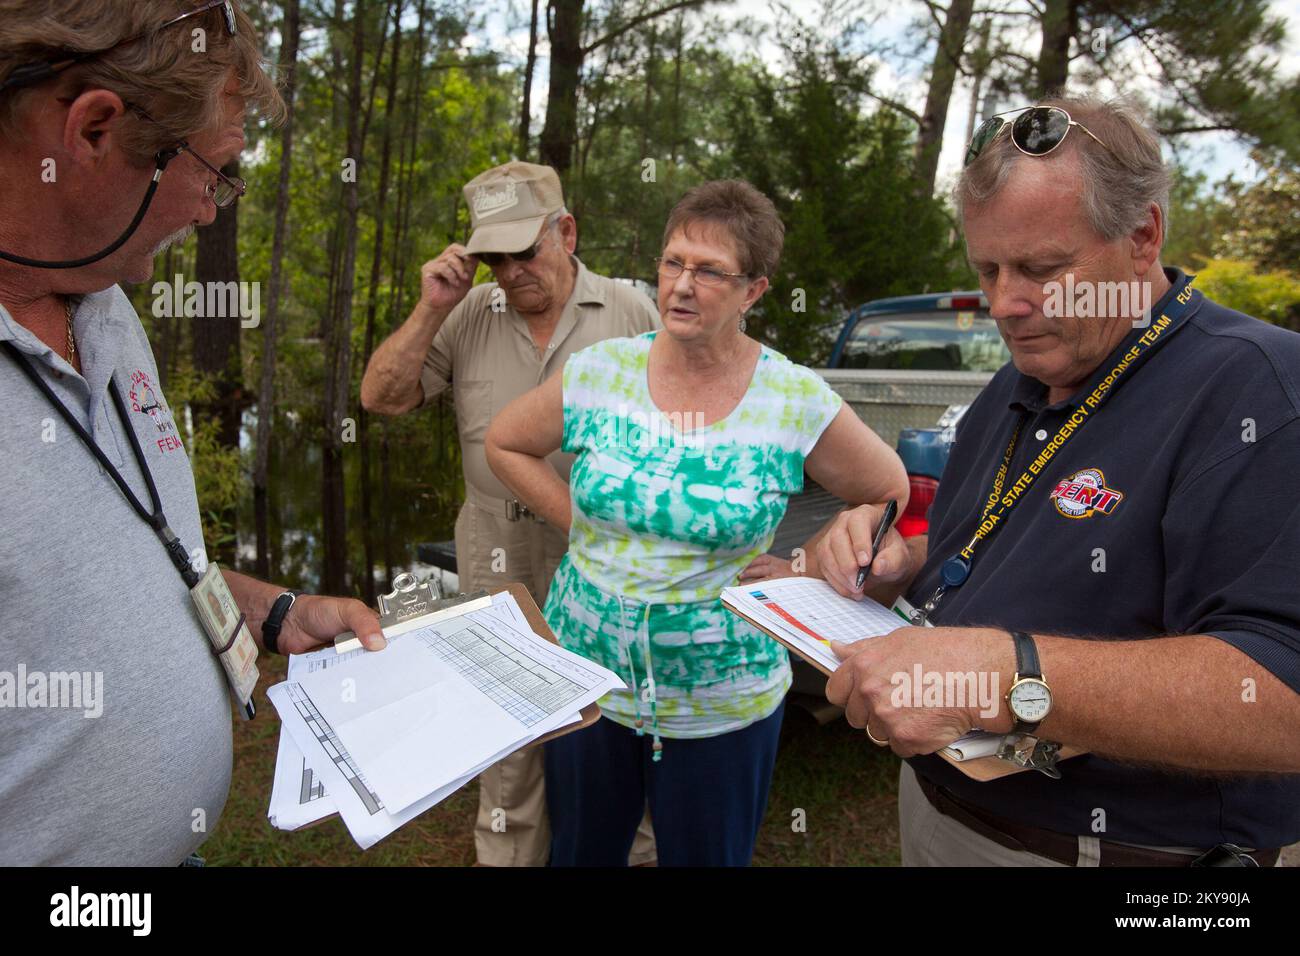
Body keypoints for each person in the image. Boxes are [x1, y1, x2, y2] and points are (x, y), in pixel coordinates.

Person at [813, 96, 1300, 866]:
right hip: (943, 812)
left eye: (1041, 268)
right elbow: (987, 569)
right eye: (987, 269)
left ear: (1142, 236)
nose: (1005, 304)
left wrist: (1011, 677)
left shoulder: (1259, 390)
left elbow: (1284, 699)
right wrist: (898, 574)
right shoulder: (1020, 380)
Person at [0, 0, 386, 867]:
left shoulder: (104, 297)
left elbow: (122, 558)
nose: (213, 211)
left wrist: (276, 614)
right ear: (96, 130)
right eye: (215, 174)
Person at [486, 179, 910, 865]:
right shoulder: (603, 372)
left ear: (754, 291)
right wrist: (583, 526)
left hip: (723, 701)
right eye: (673, 262)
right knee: (580, 856)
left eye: (710, 271)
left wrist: (803, 570)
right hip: (590, 683)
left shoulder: (791, 398)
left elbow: (886, 491)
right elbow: (505, 441)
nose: (682, 285)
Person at [361, 160, 660, 866]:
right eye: (494, 257)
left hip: (605, 550)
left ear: (567, 231)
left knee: (617, 711)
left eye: (526, 250)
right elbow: (381, 397)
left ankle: (630, 854)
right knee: (506, 722)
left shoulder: (630, 312)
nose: (511, 271)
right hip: (495, 546)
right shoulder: (469, 313)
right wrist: (433, 304)